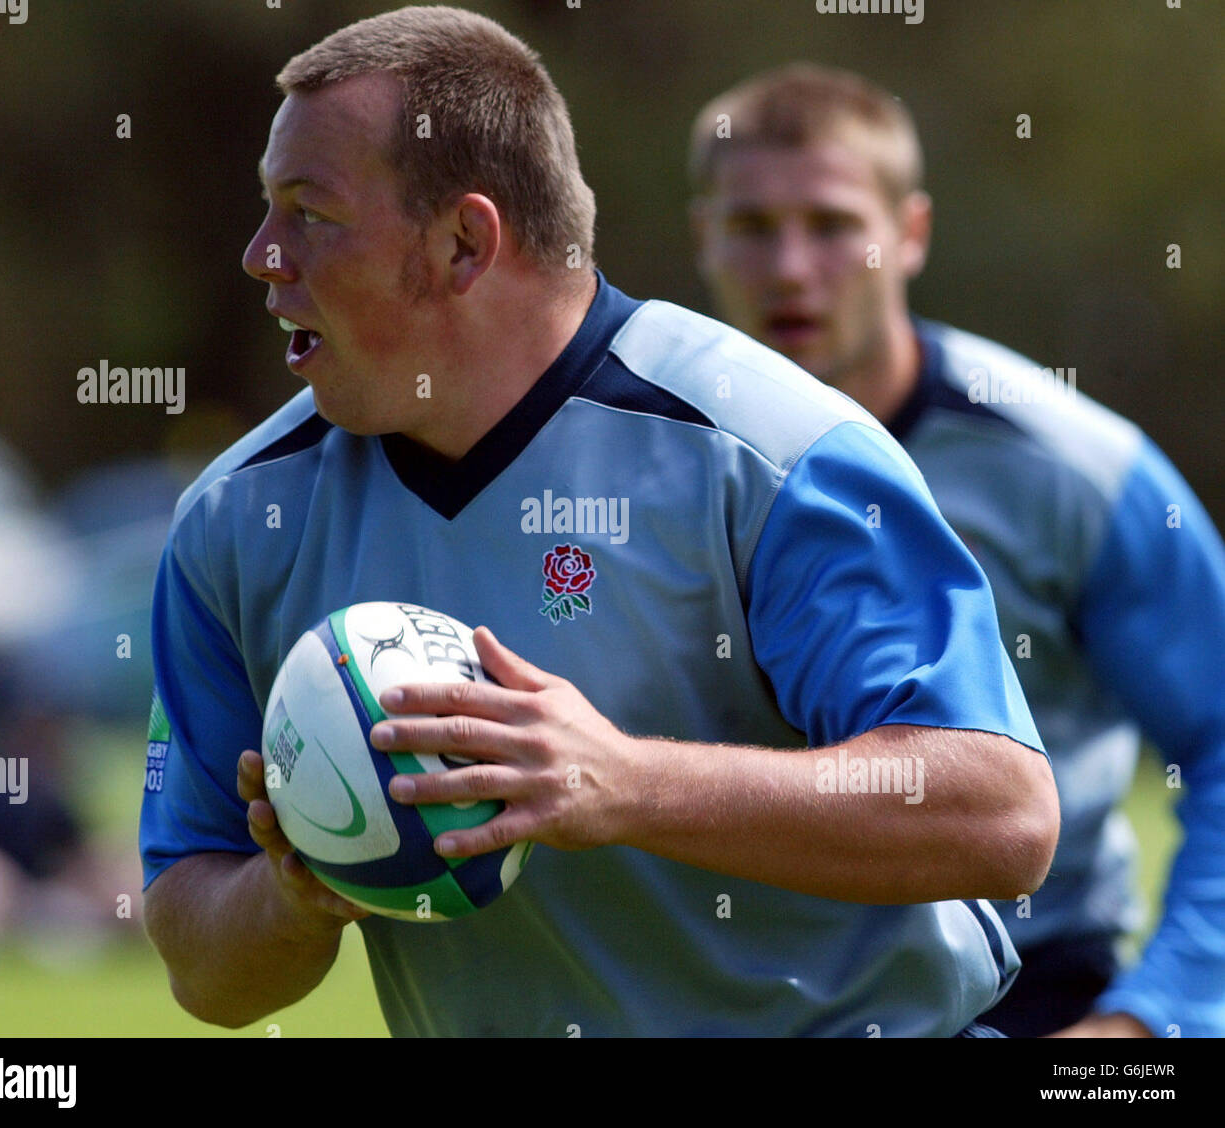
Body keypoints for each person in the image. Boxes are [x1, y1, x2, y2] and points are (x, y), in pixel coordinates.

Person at [139, 6, 1058, 1037]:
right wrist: (295, 896)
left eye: (310, 211)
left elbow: (1001, 812)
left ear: (462, 243)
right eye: (268, 209)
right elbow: (202, 969)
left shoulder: (769, 453)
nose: (263, 255)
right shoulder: (237, 520)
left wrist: (622, 781)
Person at [689, 62, 1225, 1038]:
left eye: (834, 224)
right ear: (704, 238)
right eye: (753, 227)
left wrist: (1157, 1018)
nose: (792, 269)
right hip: (739, 996)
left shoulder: (1072, 465)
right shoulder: (647, 454)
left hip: (1033, 996)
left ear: (909, 234)